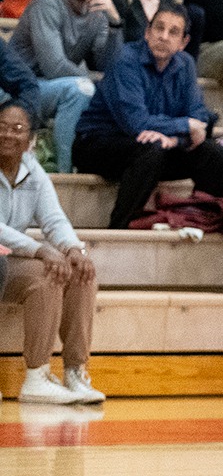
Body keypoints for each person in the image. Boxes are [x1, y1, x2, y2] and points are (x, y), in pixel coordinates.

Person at [72, 7, 223, 228]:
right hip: (98, 145)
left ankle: (201, 223)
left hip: (155, 148)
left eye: (173, 32)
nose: (163, 36)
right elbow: (135, 123)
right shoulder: (125, 59)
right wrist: (183, 125)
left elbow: (199, 117)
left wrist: (175, 140)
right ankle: (120, 229)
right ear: (147, 32)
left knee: (214, 153)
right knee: (150, 149)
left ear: (183, 42)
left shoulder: (185, 64)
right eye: (159, 28)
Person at [0, 102, 104, 404]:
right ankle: (36, 376)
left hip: (10, 257)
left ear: (30, 140)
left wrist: (73, 249)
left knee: (81, 272)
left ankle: (75, 372)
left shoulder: (33, 172)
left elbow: (54, 219)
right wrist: (40, 250)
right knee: (46, 275)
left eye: (18, 129)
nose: (8, 134)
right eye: (2, 127)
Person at [10, 0, 121, 172]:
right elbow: (54, 67)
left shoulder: (99, 11)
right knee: (81, 89)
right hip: (17, 90)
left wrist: (114, 23)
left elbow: (108, 65)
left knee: (105, 90)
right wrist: (99, 83)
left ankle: (95, 164)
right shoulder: (47, 4)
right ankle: (65, 172)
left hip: (50, 90)